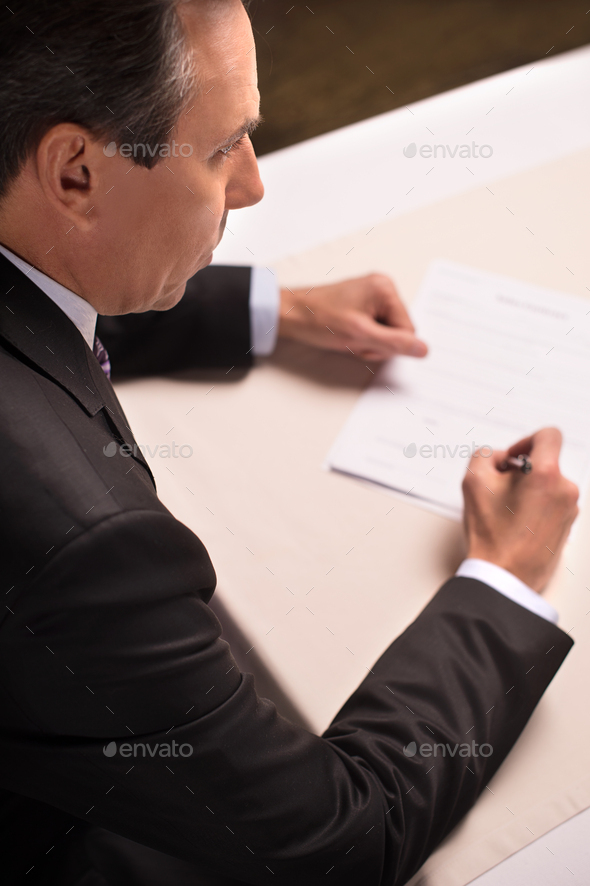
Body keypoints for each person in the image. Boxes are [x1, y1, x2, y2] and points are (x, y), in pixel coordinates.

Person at [0, 1, 579, 884]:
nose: (252, 184)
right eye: (223, 144)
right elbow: (337, 840)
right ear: (75, 173)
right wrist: (504, 581)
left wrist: (273, 309)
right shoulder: (89, 548)